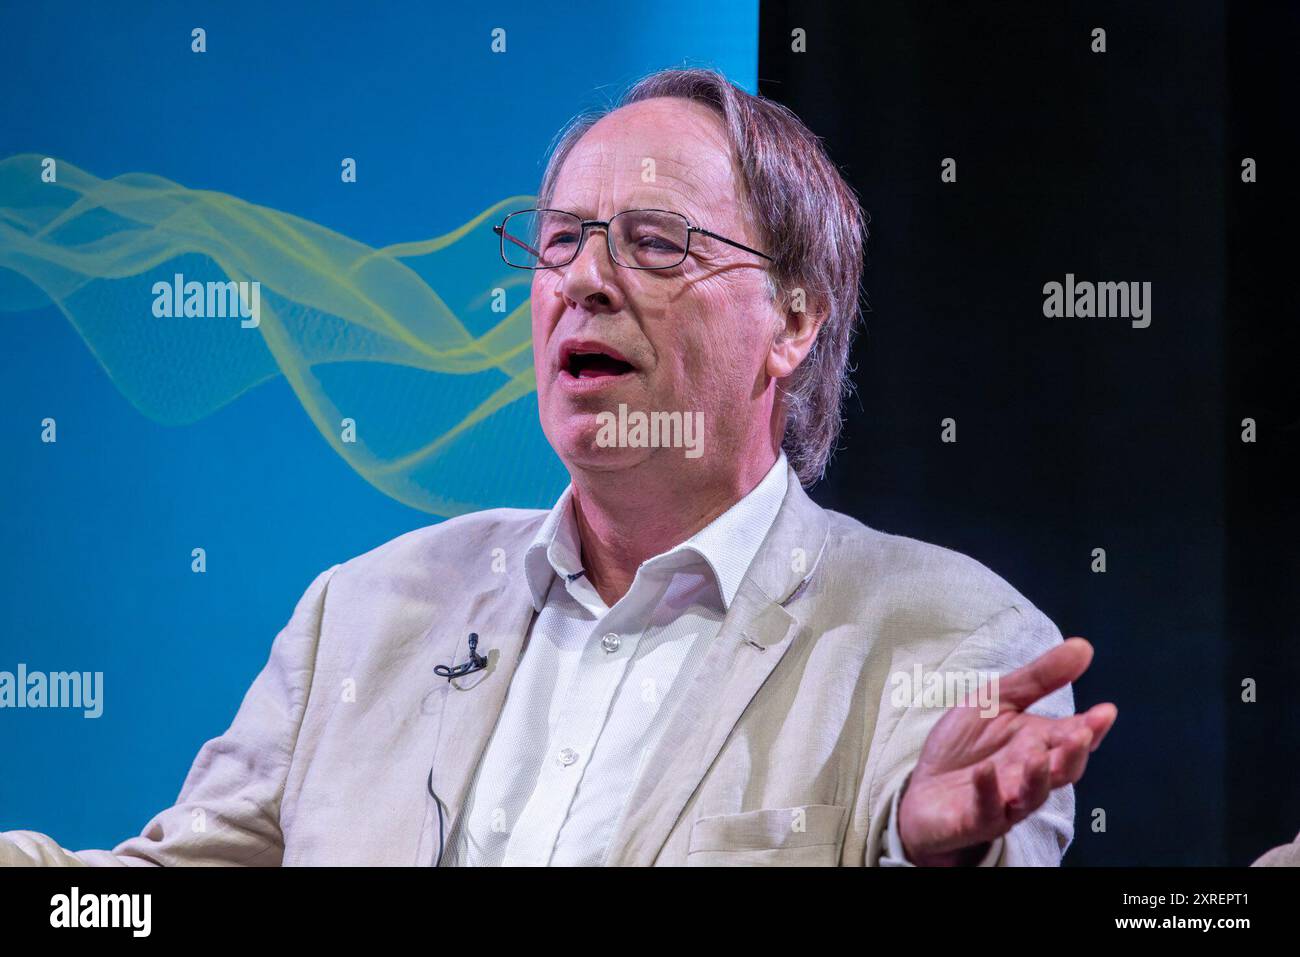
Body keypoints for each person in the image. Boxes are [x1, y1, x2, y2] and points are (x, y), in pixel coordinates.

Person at [0, 67, 1115, 867]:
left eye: (655, 243)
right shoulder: (365, 613)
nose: (582, 279)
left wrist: (933, 857)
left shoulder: (949, 643)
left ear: (793, 320)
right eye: (561, 239)